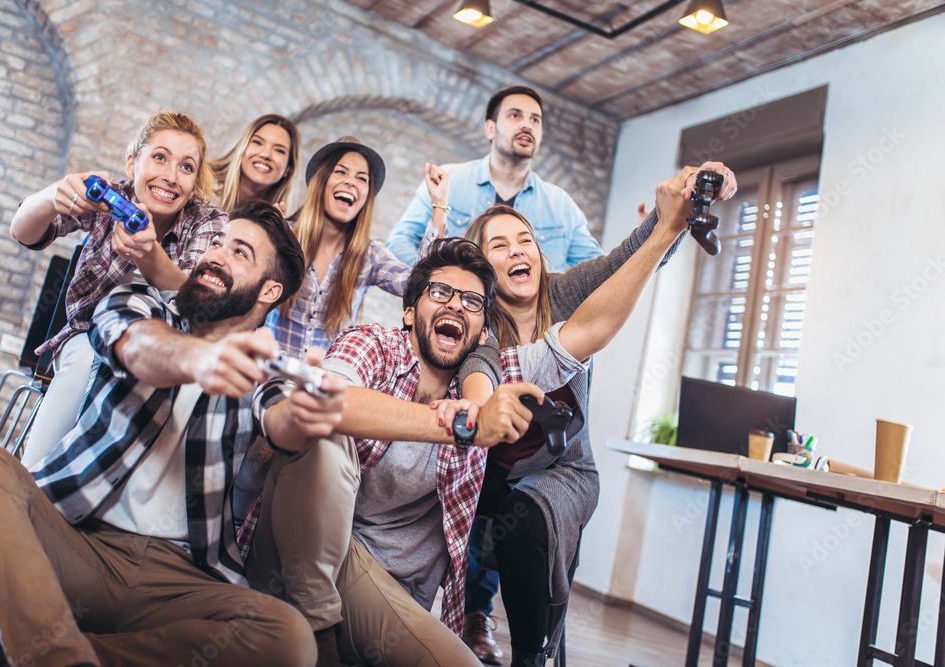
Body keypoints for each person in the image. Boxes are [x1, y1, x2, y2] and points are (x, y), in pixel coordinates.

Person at [0, 202, 357, 667]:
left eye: (240, 251)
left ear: (270, 290)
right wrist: (198, 359)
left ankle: (55, 653)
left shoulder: (268, 367)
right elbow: (138, 346)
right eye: (218, 241)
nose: (216, 254)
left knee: (289, 639)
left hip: (180, 576)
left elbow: (281, 418)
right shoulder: (140, 302)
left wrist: (302, 420)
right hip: (77, 538)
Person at [449, 163, 738, 666]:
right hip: (494, 470)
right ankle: (471, 616)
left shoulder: (565, 291)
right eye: (500, 245)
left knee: (525, 529)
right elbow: (479, 376)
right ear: (484, 271)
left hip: (563, 469)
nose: (518, 250)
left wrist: (695, 187)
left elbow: (630, 260)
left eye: (525, 240)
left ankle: (531, 656)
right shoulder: (482, 329)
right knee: (472, 514)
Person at [242, 238, 553, 666]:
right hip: (298, 558)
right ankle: (319, 635)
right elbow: (330, 401)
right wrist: (462, 429)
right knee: (324, 431)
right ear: (409, 312)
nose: (456, 306)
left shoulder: (484, 390)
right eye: (440, 293)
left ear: (483, 334)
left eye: (471, 301)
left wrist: (662, 230)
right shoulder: (373, 343)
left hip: (388, 594)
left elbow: (580, 336)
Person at [12, 110, 228, 468]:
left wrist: (149, 255)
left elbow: (194, 296)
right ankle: (32, 478)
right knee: (86, 360)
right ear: (132, 164)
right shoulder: (109, 197)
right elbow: (23, 232)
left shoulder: (207, 222)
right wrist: (52, 196)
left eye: (186, 167)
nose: (171, 177)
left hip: (160, 354)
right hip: (86, 338)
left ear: (194, 182)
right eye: (159, 157)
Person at [385, 85, 603, 271]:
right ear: (490, 128)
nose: (527, 125)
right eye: (515, 115)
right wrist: (429, 283)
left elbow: (598, 271)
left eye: (535, 120)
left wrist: (638, 244)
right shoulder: (447, 183)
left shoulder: (561, 205)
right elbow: (399, 242)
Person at [265, 137, 447, 357]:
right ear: (320, 180)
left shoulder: (369, 257)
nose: (351, 182)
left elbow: (423, 285)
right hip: (265, 376)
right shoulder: (285, 234)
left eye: (362, 178)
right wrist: (265, 235)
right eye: (341, 172)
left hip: (321, 384)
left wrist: (439, 205)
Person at [208, 113, 301, 213]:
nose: (265, 154)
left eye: (279, 150)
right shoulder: (202, 187)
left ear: (288, 168)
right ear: (242, 148)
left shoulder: (282, 221)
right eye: (258, 142)